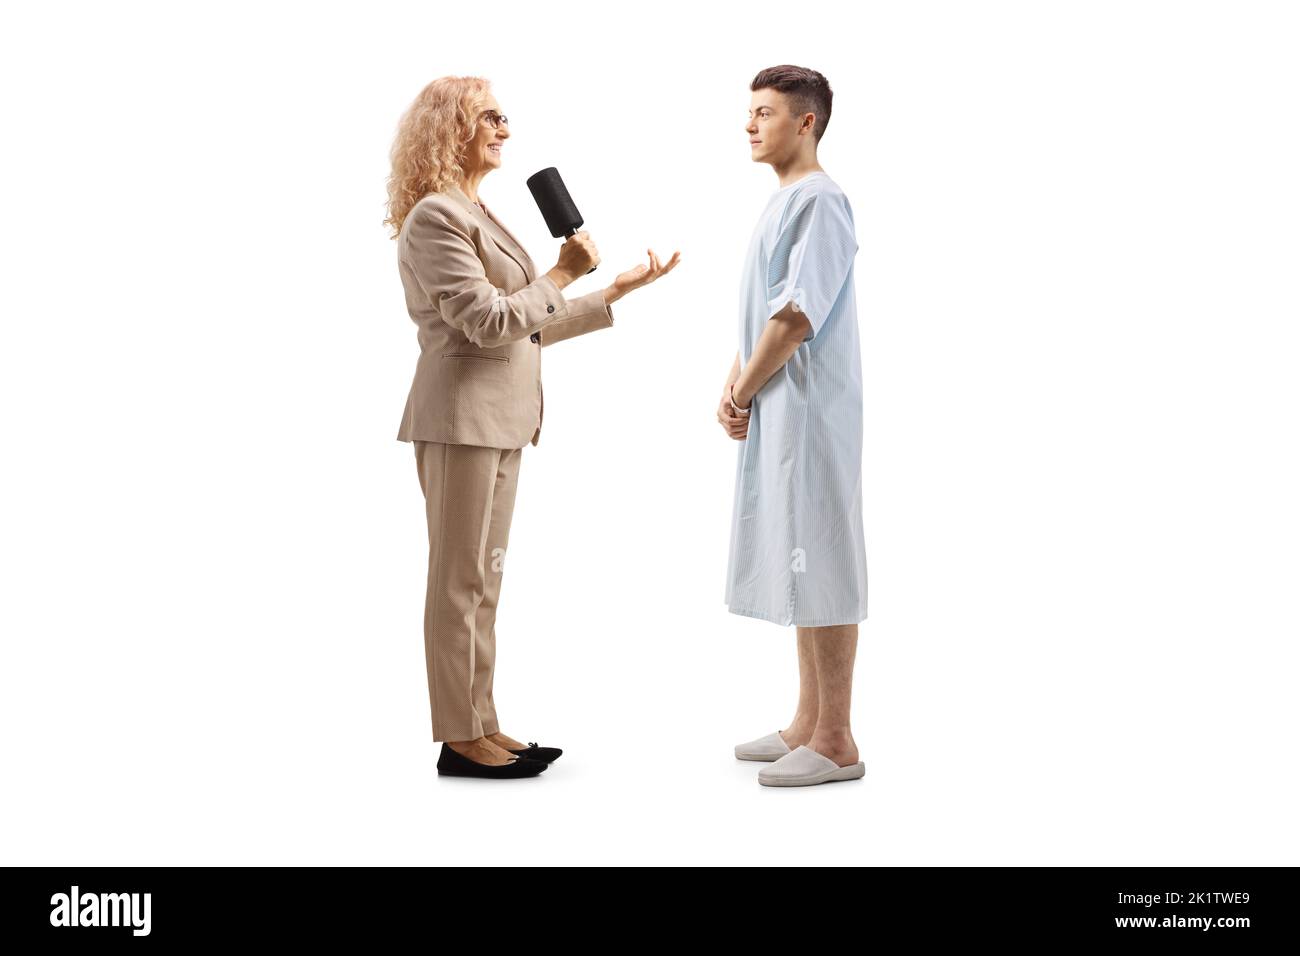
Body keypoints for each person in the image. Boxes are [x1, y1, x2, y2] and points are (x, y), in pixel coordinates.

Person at [384, 76, 679, 779]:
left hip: (506, 421)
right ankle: (460, 738)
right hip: (460, 421)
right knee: (458, 584)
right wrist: (562, 270)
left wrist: (610, 291)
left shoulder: (476, 210)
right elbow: (486, 324)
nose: (505, 129)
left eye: (505, 117)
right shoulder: (435, 218)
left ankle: (483, 722)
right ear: (450, 127)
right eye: (490, 117)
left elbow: (526, 326)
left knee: (483, 582)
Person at [721, 65, 868, 787]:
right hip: (783, 408)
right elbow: (766, 307)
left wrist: (745, 391)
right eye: (748, 113)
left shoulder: (822, 202)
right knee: (800, 559)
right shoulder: (786, 201)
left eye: (764, 112)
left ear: (805, 122)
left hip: (809, 414)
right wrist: (736, 375)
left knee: (825, 560)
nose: (750, 125)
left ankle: (837, 738)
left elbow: (798, 315)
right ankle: (807, 721)